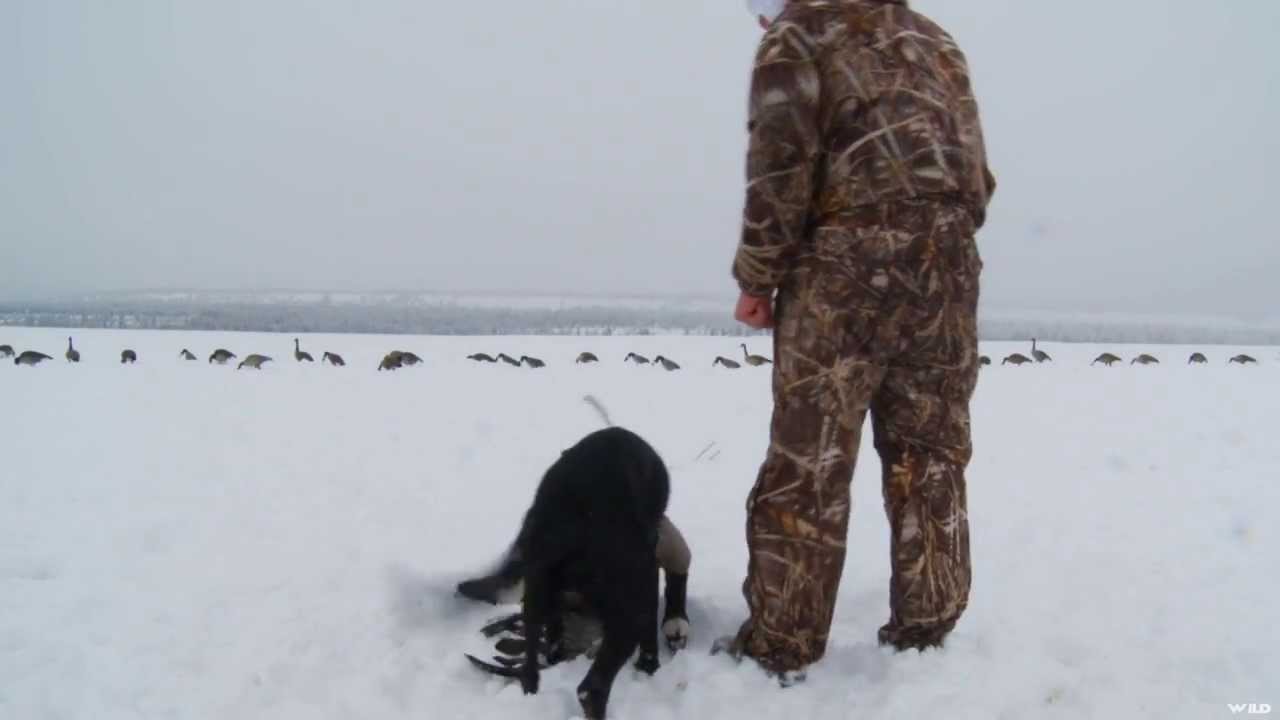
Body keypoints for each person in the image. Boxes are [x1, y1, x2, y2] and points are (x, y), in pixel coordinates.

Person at [722, 0, 997, 680]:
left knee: (809, 461)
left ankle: (782, 645)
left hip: (844, 269)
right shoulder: (935, 39)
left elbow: (779, 167)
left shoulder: (798, 34)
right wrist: (932, 240)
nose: (762, 21)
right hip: (948, 269)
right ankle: (928, 627)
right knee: (930, 452)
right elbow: (976, 177)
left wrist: (759, 276)